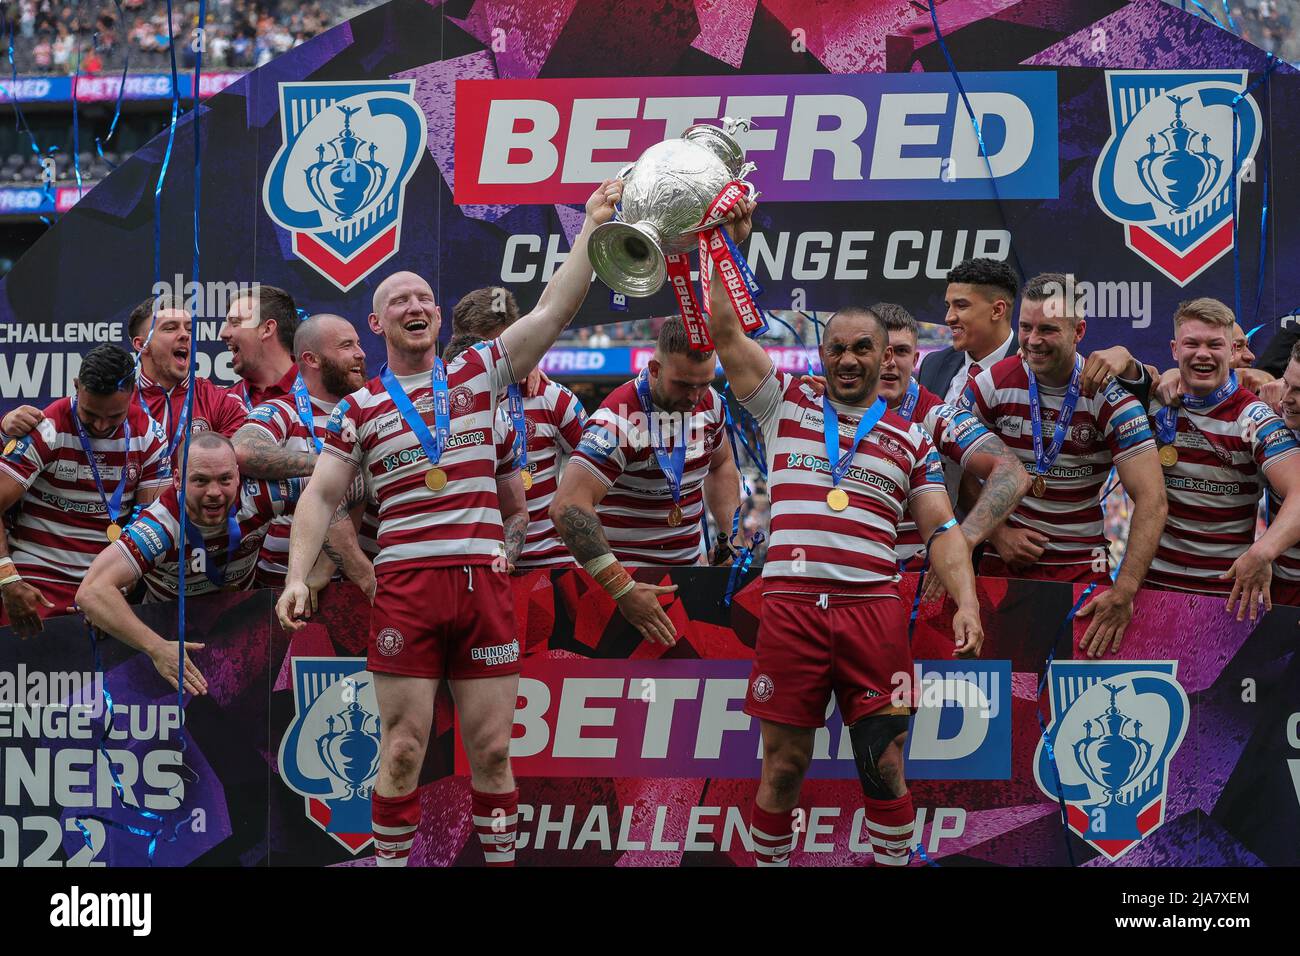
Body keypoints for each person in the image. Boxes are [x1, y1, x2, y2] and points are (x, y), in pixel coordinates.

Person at [274, 179, 621, 868]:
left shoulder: (479, 374)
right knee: (402, 749)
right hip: (406, 586)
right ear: (376, 325)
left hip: (483, 586)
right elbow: (319, 497)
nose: (413, 306)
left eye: (422, 298)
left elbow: (554, 308)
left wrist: (590, 229)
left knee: (493, 752)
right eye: (396, 300)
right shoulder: (362, 409)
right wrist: (295, 577)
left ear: (437, 316)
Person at [706, 199, 983, 868]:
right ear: (821, 352)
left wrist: (968, 601)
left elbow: (942, 530)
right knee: (782, 767)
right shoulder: (786, 402)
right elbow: (722, 331)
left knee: (883, 764)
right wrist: (724, 246)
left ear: (887, 355)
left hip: (873, 615)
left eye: (865, 348)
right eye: (838, 347)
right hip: (792, 612)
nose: (851, 359)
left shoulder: (909, 437)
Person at [960, 273, 1167, 656]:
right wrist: (999, 533)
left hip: (1080, 568)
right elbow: (961, 474)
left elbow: (1152, 498)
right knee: (1000, 697)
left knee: (1075, 700)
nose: (1033, 340)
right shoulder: (989, 385)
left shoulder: (1110, 397)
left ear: (1079, 331)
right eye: (1025, 327)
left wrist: (1125, 590)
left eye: (1048, 329)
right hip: (1004, 568)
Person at [76, 432, 363, 692]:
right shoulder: (161, 526)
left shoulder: (259, 496)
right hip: (174, 639)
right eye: (200, 480)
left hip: (241, 634)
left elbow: (350, 487)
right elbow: (91, 592)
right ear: (177, 480)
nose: (214, 492)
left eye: (225, 479)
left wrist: (320, 570)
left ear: (239, 476)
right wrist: (157, 648)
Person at [550, 316, 741, 621]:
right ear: (654, 369)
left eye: (704, 383)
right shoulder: (617, 421)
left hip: (688, 579)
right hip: (622, 590)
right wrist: (622, 588)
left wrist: (731, 536)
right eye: (684, 385)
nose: (694, 397)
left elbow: (721, 464)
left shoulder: (712, 404)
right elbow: (567, 506)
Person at [1141, 298, 1300, 619]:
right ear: (1174, 349)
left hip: (1224, 599)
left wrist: (1260, 553)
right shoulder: (1155, 404)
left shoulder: (1256, 416)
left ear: (1231, 351)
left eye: (1215, 344)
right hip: (1152, 589)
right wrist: (1125, 360)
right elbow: (1111, 373)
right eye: (1191, 344)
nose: (1202, 353)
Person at [0, 344, 171, 636]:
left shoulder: (149, 437)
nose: (102, 426)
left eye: (114, 416)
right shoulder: (48, 429)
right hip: (34, 582)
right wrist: (7, 580)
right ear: (77, 387)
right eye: (90, 414)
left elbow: (153, 523)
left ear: (132, 395)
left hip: (106, 580)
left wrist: (117, 589)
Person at [871, 302, 1031, 571]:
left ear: (915, 358)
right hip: (851, 578)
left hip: (917, 582)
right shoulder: (832, 408)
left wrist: (962, 543)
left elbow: (1013, 474)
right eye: (881, 351)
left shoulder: (936, 416)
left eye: (900, 351)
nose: (890, 362)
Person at [1, 295, 248, 467]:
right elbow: (50, 441)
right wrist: (6, 429)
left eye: (189, 328)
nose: (185, 334)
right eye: (171, 328)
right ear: (142, 345)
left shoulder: (221, 401)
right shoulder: (109, 398)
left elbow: (242, 460)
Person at [444, 287, 588, 569]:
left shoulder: (550, 397)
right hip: (472, 564)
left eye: (500, 346)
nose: (489, 360)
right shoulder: (438, 399)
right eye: (480, 348)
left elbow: (599, 470)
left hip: (550, 562)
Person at [232, 313, 373, 590]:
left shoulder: (372, 410)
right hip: (276, 588)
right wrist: (331, 465)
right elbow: (242, 449)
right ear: (311, 359)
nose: (361, 353)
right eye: (347, 346)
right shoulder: (283, 410)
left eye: (358, 344)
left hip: (358, 586)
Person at [917, 258, 1020, 405]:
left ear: (997, 310)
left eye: (961, 306)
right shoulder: (933, 365)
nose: (948, 318)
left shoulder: (1032, 368)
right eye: (948, 306)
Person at [219, 284, 301, 409]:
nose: (223, 334)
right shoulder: (222, 404)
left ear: (267, 329)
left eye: (235, 323)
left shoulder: (322, 395)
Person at [1268, 340, 1300, 606]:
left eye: (1299, 390)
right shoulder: (1275, 428)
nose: (1286, 397)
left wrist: (1262, 552)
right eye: (1285, 383)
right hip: (1281, 593)